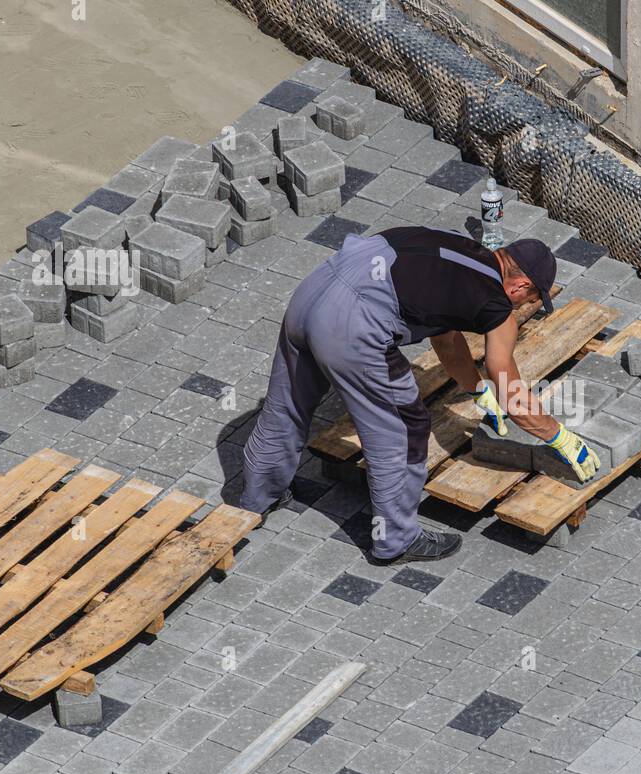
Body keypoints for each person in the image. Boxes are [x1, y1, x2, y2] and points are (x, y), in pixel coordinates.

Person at [238, 225, 601, 564]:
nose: (523, 308)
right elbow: (513, 395)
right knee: (402, 429)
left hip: (314, 291)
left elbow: (446, 339)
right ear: (519, 286)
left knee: (287, 405)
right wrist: (559, 436)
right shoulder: (496, 305)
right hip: (351, 325)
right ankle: (395, 540)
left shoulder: (463, 253)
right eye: (530, 301)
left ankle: (258, 497)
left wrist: (477, 390)